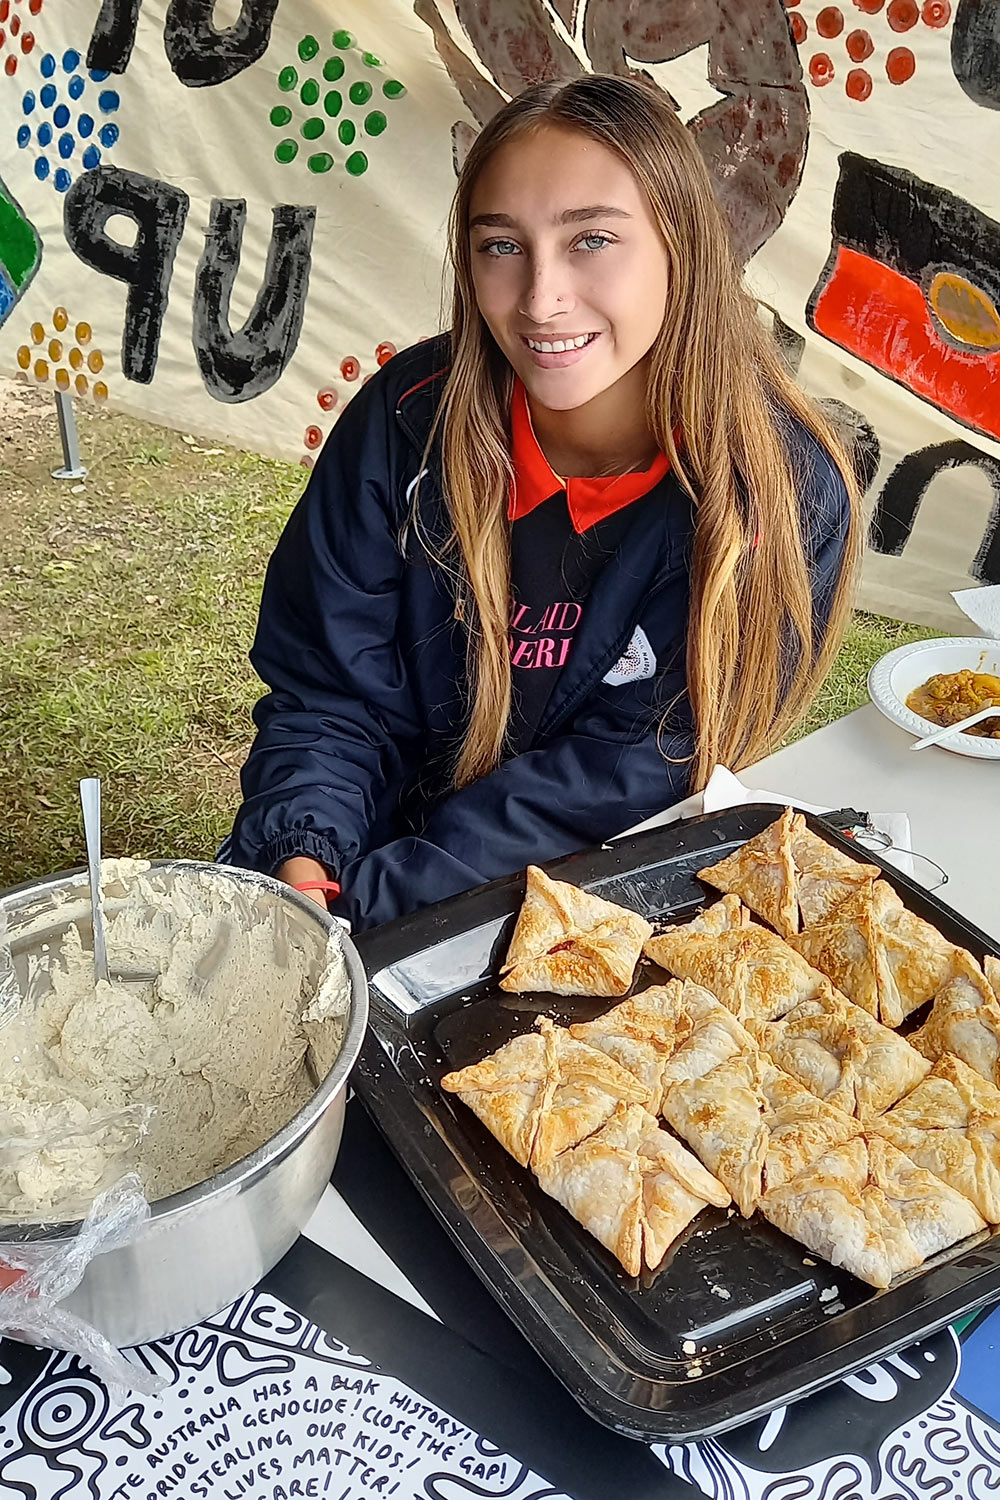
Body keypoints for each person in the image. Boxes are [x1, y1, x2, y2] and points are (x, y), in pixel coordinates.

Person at [226, 74, 860, 931]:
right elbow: (329, 695)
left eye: (591, 239)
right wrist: (304, 876)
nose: (540, 297)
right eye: (500, 245)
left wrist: (369, 920)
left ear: (684, 247)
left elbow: (617, 781)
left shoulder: (778, 491)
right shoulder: (408, 419)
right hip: (349, 871)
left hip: (581, 901)